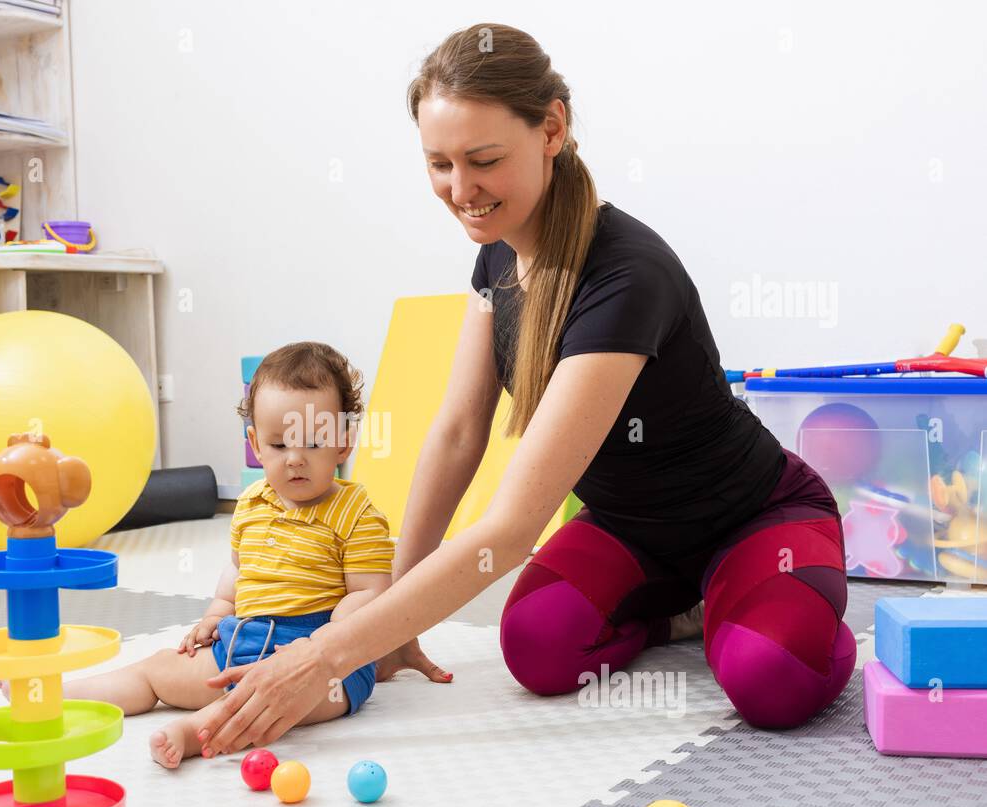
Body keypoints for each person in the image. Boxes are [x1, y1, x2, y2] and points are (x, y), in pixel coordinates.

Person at [195, 22, 856, 756]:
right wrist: (394, 618)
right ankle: (689, 612)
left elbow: (510, 528)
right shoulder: (497, 261)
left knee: (774, 677)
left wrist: (327, 651)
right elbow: (457, 434)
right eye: (439, 164)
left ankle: (755, 603)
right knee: (537, 646)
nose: (460, 190)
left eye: (482, 161)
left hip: (754, 516)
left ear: (552, 128)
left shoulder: (627, 275)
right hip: (633, 529)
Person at [54, 341, 394, 768]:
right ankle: (60, 696)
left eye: (312, 443)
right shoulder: (251, 503)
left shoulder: (357, 513)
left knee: (260, 699)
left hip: (325, 661)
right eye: (277, 445)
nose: (294, 460)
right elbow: (238, 570)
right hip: (242, 639)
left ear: (343, 443)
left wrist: (323, 646)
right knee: (158, 669)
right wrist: (216, 615)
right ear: (255, 442)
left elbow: (372, 594)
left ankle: (192, 734)